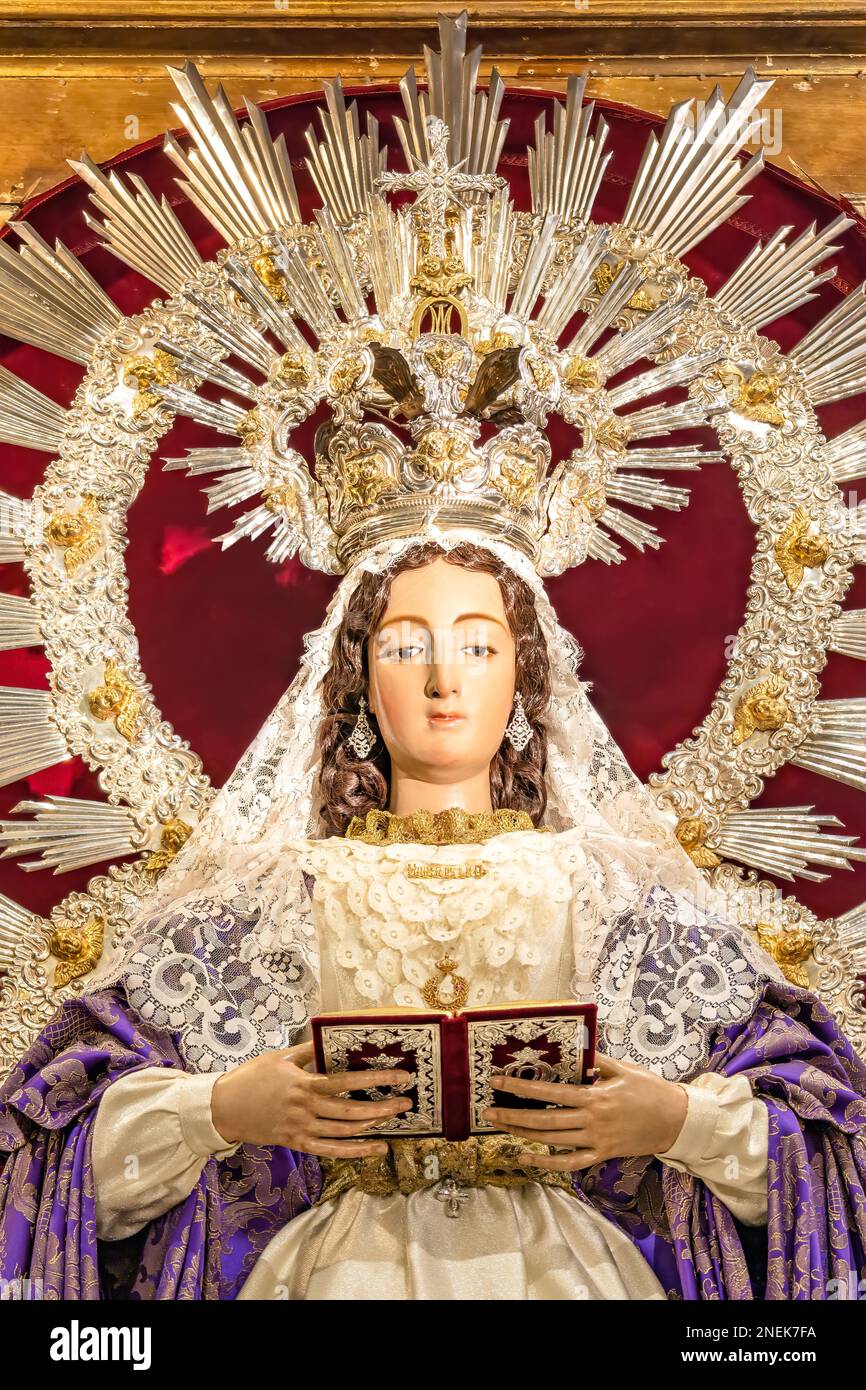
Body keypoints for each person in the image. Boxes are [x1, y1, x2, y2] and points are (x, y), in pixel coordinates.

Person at [2, 532, 866, 1300]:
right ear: (359, 683)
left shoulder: (614, 900)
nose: (444, 679)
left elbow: (826, 1146)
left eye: (480, 647)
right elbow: (60, 1153)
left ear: (525, 678)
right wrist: (222, 1108)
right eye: (406, 645)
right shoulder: (272, 902)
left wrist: (673, 1122)